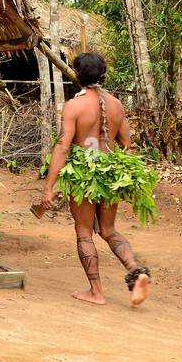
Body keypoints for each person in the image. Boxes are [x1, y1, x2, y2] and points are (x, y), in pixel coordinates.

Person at [41, 51, 152, 307]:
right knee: (109, 230)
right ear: (103, 74)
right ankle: (137, 272)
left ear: (77, 75)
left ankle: (96, 291)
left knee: (84, 232)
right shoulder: (116, 104)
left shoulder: (74, 106)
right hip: (110, 174)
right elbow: (127, 144)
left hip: (83, 177)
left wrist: (49, 186)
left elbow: (62, 146)